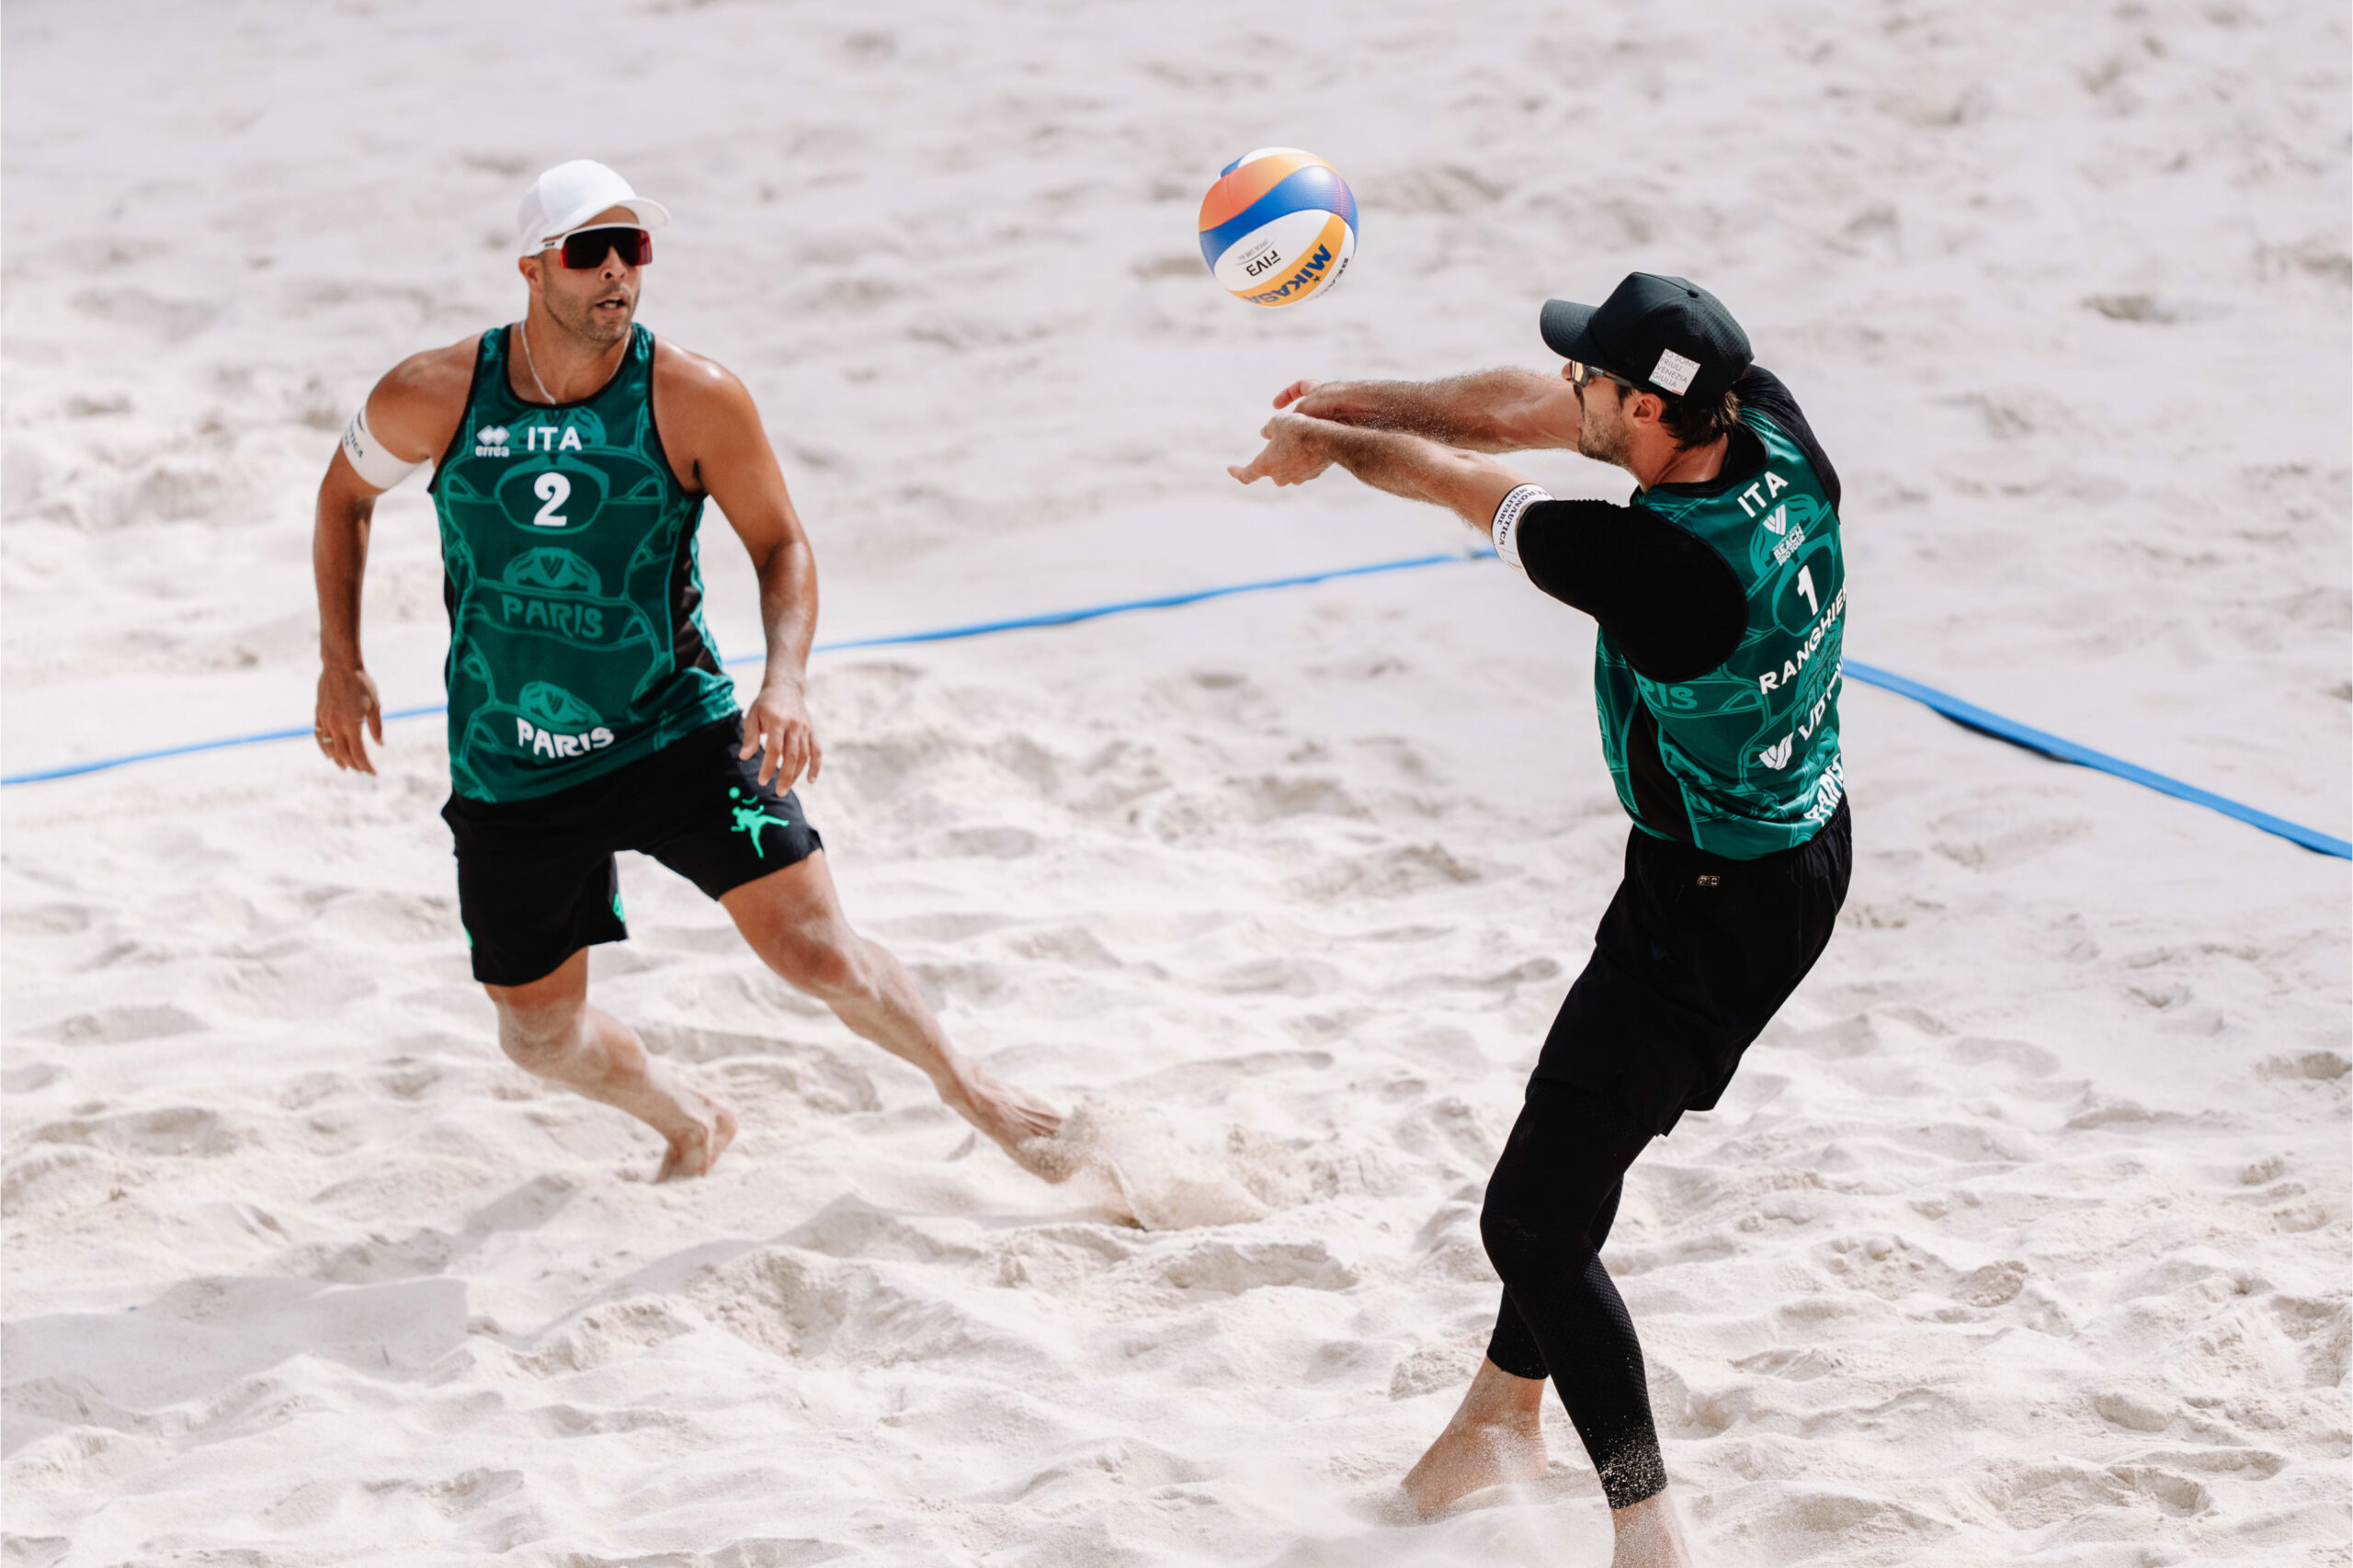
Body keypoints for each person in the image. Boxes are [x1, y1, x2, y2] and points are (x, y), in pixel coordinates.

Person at [1230, 273, 1853, 1565]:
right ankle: (1499, 1415)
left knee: (1527, 1220)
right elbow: (1530, 411)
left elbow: (1472, 488)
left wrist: (1334, 448)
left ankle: (1648, 1522)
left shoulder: (1654, 570)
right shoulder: (1772, 433)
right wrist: (1370, 395)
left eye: (1594, 377)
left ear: (1646, 410)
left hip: (1709, 912)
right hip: (1792, 857)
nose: (1569, 382)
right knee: (1581, 1148)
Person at [312, 160, 1063, 1183]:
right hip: (512, 766)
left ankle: (973, 1089)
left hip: (680, 735)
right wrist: (340, 661)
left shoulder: (693, 395)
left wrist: (784, 681)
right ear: (533, 268)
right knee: (536, 1038)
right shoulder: (435, 392)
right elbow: (343, 498)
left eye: (635, 247)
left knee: (815, 950)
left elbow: (782, 546)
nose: (618, 270)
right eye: (590, 250)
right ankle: (688, 1117)